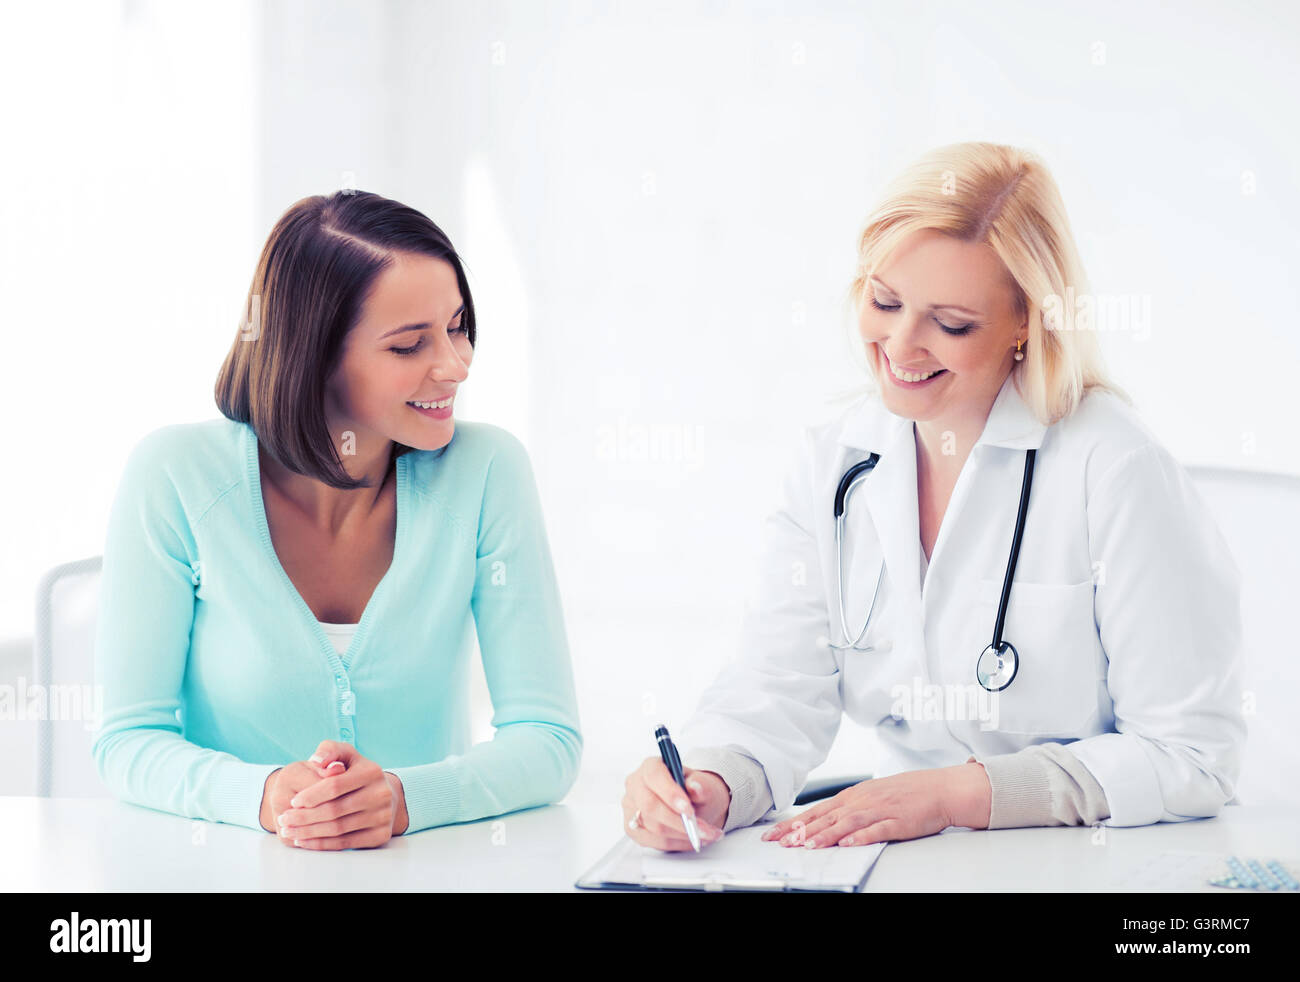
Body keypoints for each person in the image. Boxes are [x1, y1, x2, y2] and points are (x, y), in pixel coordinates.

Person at [621, 141, 1245, 852]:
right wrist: (711, 781)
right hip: (899, 855)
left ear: (1027, 324)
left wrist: (956, 794)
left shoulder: (1116, 467)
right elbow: (778, 690)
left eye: (950, 324)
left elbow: (1191, 757)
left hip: (1085, 859)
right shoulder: (836, 464)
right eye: (884, 302)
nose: (901, 345)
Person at [92, 190, 582, 849]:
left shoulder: (488, 471)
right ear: (315, 355)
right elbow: (127, 741)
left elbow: (548, 739)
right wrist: (265, 797)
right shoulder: (175, 475)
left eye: (458, 327)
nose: (457, 365)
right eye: (409, 346)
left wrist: (406, 801)